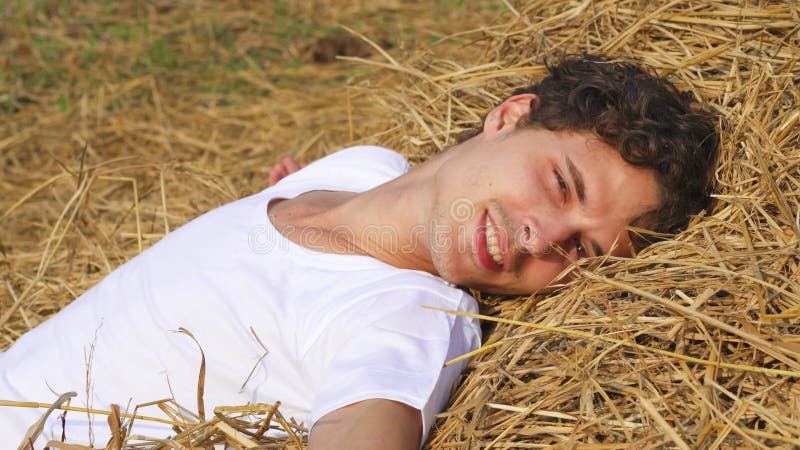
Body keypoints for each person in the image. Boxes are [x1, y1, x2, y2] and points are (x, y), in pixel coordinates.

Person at [0, 55, 718, 450]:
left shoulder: (410, 318)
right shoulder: (361, 167)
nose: (543, 235)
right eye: (560, 184)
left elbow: (367, 423)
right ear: (509, 118)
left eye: (580, 250)